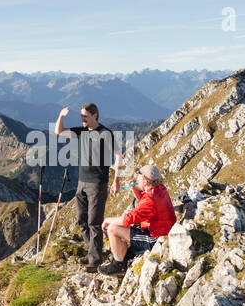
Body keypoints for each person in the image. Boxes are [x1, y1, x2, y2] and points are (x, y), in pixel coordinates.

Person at [55, 102, 122, 270]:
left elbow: (117, 156)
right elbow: (59, 131)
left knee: (94, 221)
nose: (82, 119)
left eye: (85, 116)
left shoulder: (105, 133)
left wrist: (116, 179)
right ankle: (92, 251)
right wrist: (61, 115)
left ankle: (95, 259)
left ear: (95, 115)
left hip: (98, 183)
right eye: (81, 116)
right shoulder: (82, 131)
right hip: (82, 182)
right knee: (82, 219)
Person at [99, 163, 175, 276]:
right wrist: (135, 189)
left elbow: (128, 219)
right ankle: (122, 258)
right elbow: (146, 205)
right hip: (161, 231)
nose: (136, 178)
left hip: (155, 239)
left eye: (139, 176)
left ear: (145, 181)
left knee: (113, 228)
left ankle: (118, 266)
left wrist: (107, 220)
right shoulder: (159, 188)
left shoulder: (150, 201)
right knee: (123, 230)